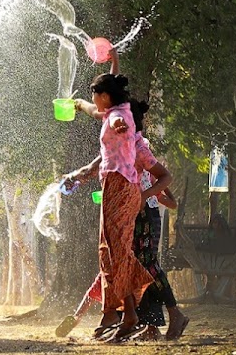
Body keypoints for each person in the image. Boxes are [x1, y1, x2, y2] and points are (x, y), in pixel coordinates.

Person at [58, 99, 188, 341]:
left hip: (142, 213)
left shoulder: (136, 146)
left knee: (145, 266)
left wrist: (145, 194)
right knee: (126, 264)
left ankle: (163, 316)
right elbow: (96, 165)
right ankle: (133, 319)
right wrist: (76, 178)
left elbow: (166, 185)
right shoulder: (119, 145)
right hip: (127, 211)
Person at [63, 73, 153, 343]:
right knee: (108, 251)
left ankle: (128, 314)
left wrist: (117, 123)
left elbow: (118, 122)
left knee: (117, 251)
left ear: (104, 96)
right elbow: (95, 111)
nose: (93, 101)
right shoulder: (112, 110)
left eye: (94, 95)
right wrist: (78, 103)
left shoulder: (119, 117)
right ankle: (117, 313)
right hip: (114, 186)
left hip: (121, 187)